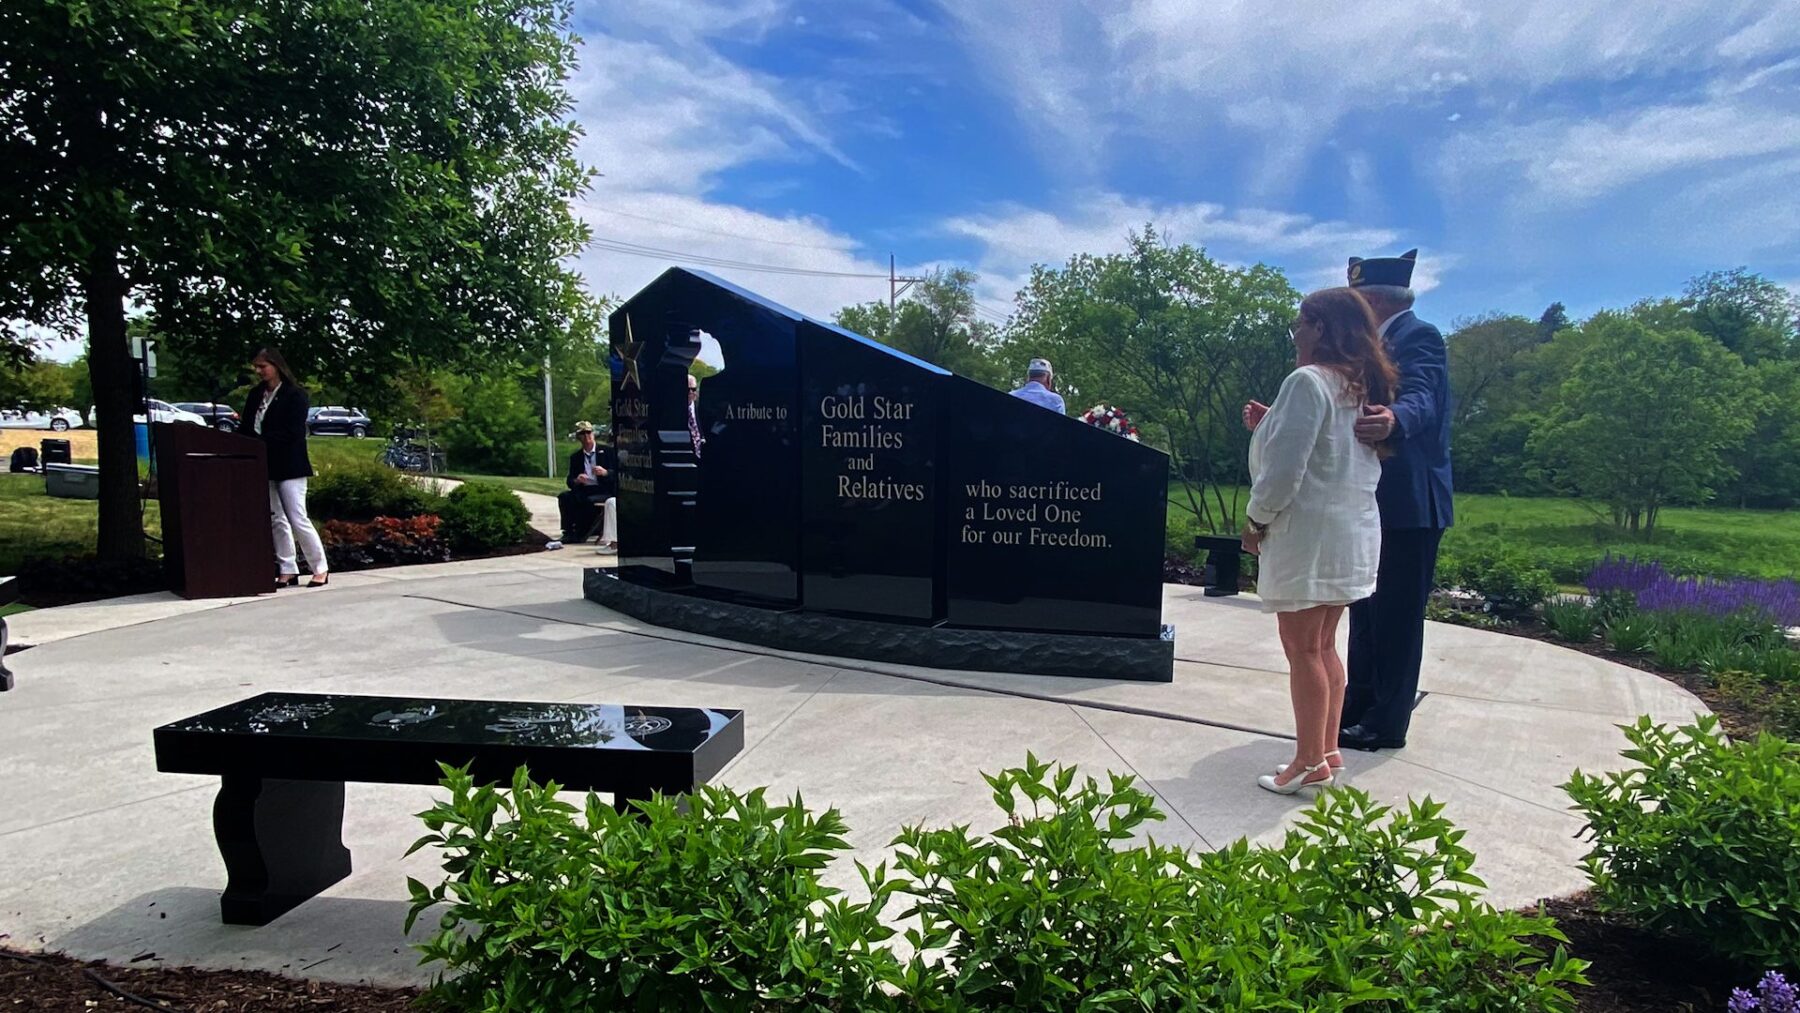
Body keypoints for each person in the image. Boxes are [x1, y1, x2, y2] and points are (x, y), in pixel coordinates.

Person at [1240, 287, 1397, 794]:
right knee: (1324, 646)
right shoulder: (1356, 387)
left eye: (1301, 325)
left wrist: (1256, 521)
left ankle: (1307, 760)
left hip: (1308, 538)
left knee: (1303, 649)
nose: (1296, 335)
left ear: (1322, 328)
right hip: (1347, 536)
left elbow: (1286, 471)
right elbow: (1326, 450)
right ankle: (1327, 752)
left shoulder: (1308, 381)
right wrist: (1271, 425)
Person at [1339, 249, 1455, 752]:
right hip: (1370, 499)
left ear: (1375, 301)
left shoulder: (1418, 338)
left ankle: (1387, 723)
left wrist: (1394, 419)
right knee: (1365, 610)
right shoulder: (1369, 348)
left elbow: (1423, 397)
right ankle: (1357, 705)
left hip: (1410, 506)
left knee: (1398, 617)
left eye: (1356, 300)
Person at [244, 347, 328, 588]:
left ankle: (319, 566)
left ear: (276, 366)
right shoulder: (256, 394)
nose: (259, 371)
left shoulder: (295, 395)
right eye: (257, 367)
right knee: (275, 518)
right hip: (264, 463)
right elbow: (248, 427)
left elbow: (293, 432)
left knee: (296, 516)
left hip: (290, 464)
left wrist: (264, 441)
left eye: (263, 366)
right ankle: (287, 568)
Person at [557, 421, 616, 548]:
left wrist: (605, 473)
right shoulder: (576, 457)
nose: (586, 436)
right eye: (582, 434)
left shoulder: (608, 452)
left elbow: (618, 474)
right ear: (579, 437)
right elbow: (570, 480)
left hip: (603, 489)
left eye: (588, 433)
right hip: (585, 488)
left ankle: (583, 531)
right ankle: (568, 531)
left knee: (588, 501)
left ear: (593, 434)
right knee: (565, 497)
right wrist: (577, 480)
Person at [685, 373, 704, 459]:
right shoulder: (676, 410)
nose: (690, 392)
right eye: (687, 389)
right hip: (687, 455)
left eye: (693, 389)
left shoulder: (701, 408)